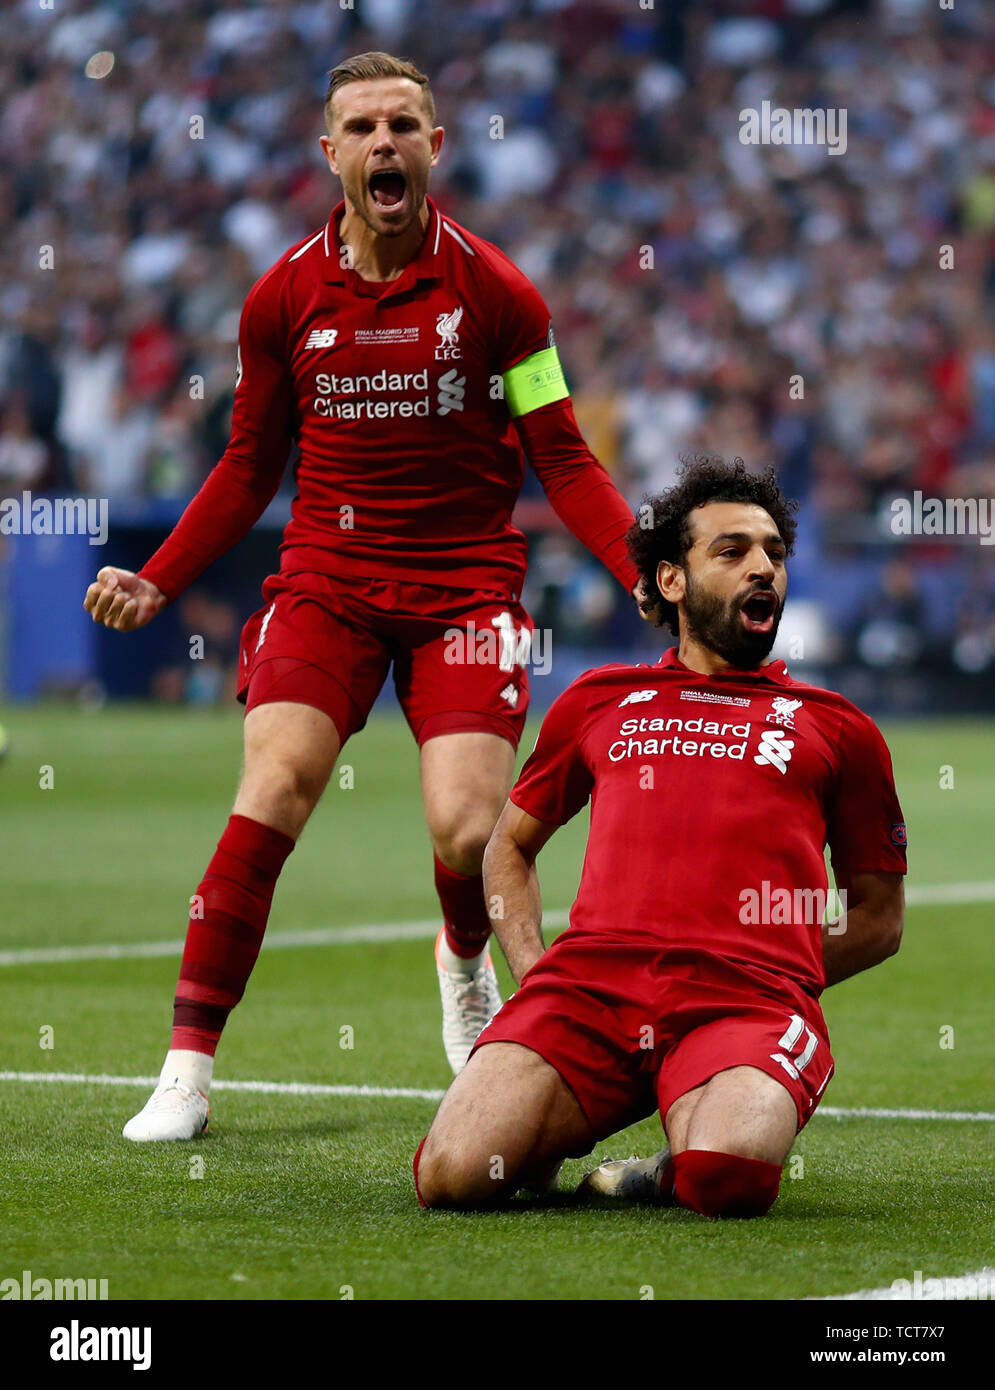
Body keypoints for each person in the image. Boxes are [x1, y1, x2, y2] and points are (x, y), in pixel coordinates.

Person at [83, 52, 639, 1141]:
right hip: (326, 587)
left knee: (467, 826)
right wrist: (159, 579)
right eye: (362, 127)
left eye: (403, 125)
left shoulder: (501, 294)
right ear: (327, 153)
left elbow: (563, 461)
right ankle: (187, 1068)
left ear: (436, 146)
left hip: (464, 591)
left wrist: (642, 569)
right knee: (277, 781)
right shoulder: (282, 296)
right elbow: (248, 466)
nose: (383, 143)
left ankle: (462, 958)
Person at [415, 457, 907, 1218]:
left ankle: (656, 1167)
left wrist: (783, 974)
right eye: (732, 551)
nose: (762, 569)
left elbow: (877, 917)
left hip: (747, 1002)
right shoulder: (598, 699)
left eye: (774, 553)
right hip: (588, 992)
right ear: (671, 581)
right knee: (450, 1177)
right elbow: (506, 848)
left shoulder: (835, 726)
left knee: (726, 1180)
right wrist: (534, 973)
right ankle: (571, 1116)